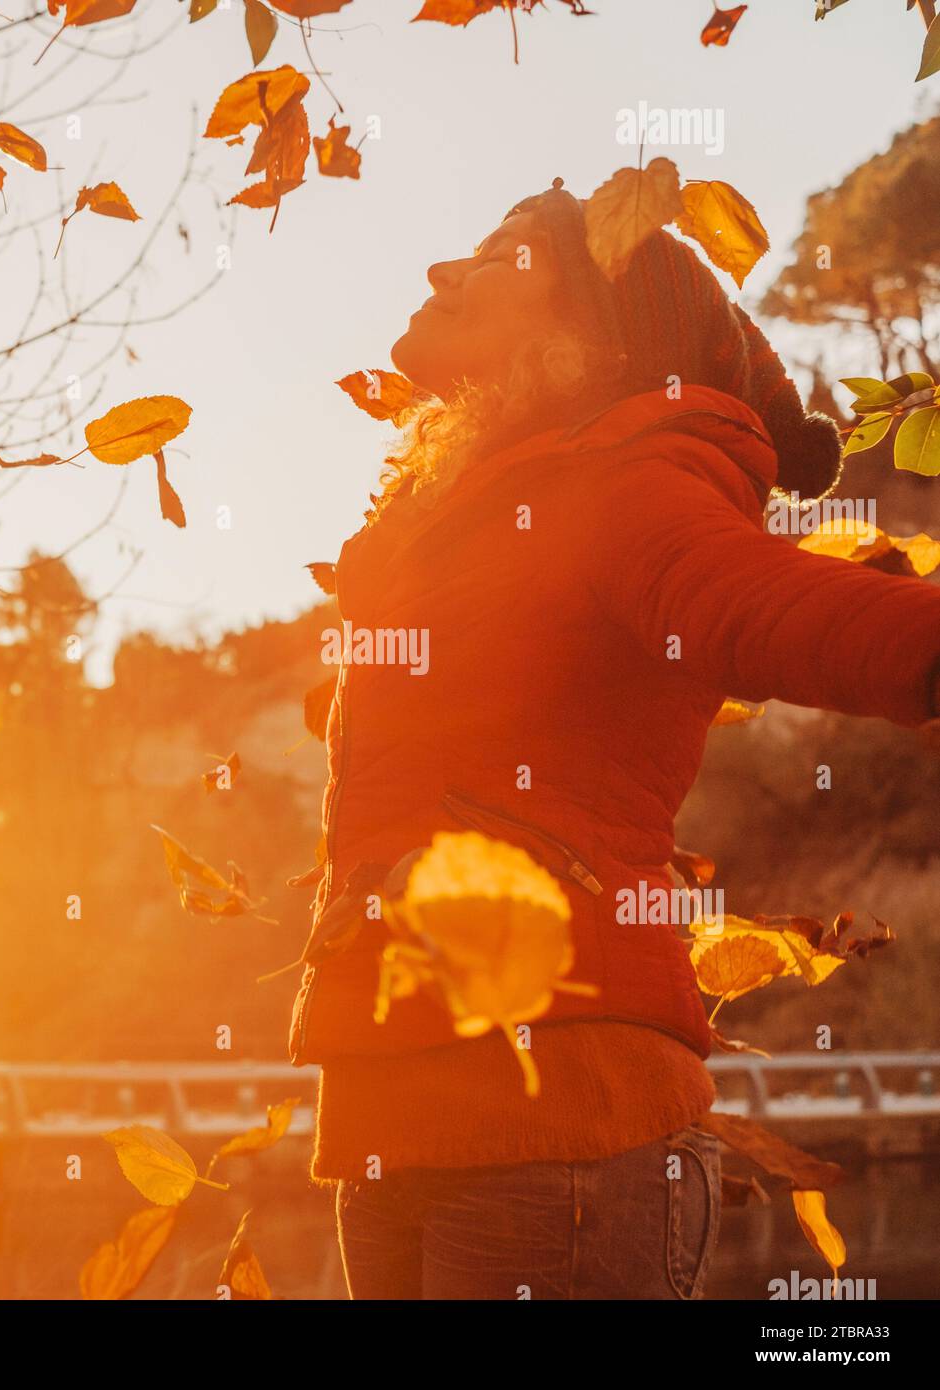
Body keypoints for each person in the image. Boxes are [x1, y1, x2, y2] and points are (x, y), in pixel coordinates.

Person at [287, 178, 940, 1300]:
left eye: (507, 256)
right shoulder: (470, 510)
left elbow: (768, 607)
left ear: (595, 330)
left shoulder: (627, 478)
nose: (449, 271)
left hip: (555, 1130)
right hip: (392, 1110)